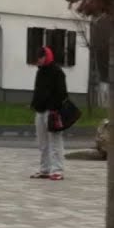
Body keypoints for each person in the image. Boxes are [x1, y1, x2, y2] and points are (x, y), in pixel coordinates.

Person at [31, 45, 68, 181]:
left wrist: (54, 108)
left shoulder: (57, 71)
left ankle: (57, 170)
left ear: (46, 56)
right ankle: (45, 169)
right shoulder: (40, 72)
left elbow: (62, 93)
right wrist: (34, 104)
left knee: (55, 141)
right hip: (40, 111)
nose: (38, 61)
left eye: (40, 58)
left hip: (52, 112)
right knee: (42, 143)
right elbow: (38, 90)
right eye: (37, 58)